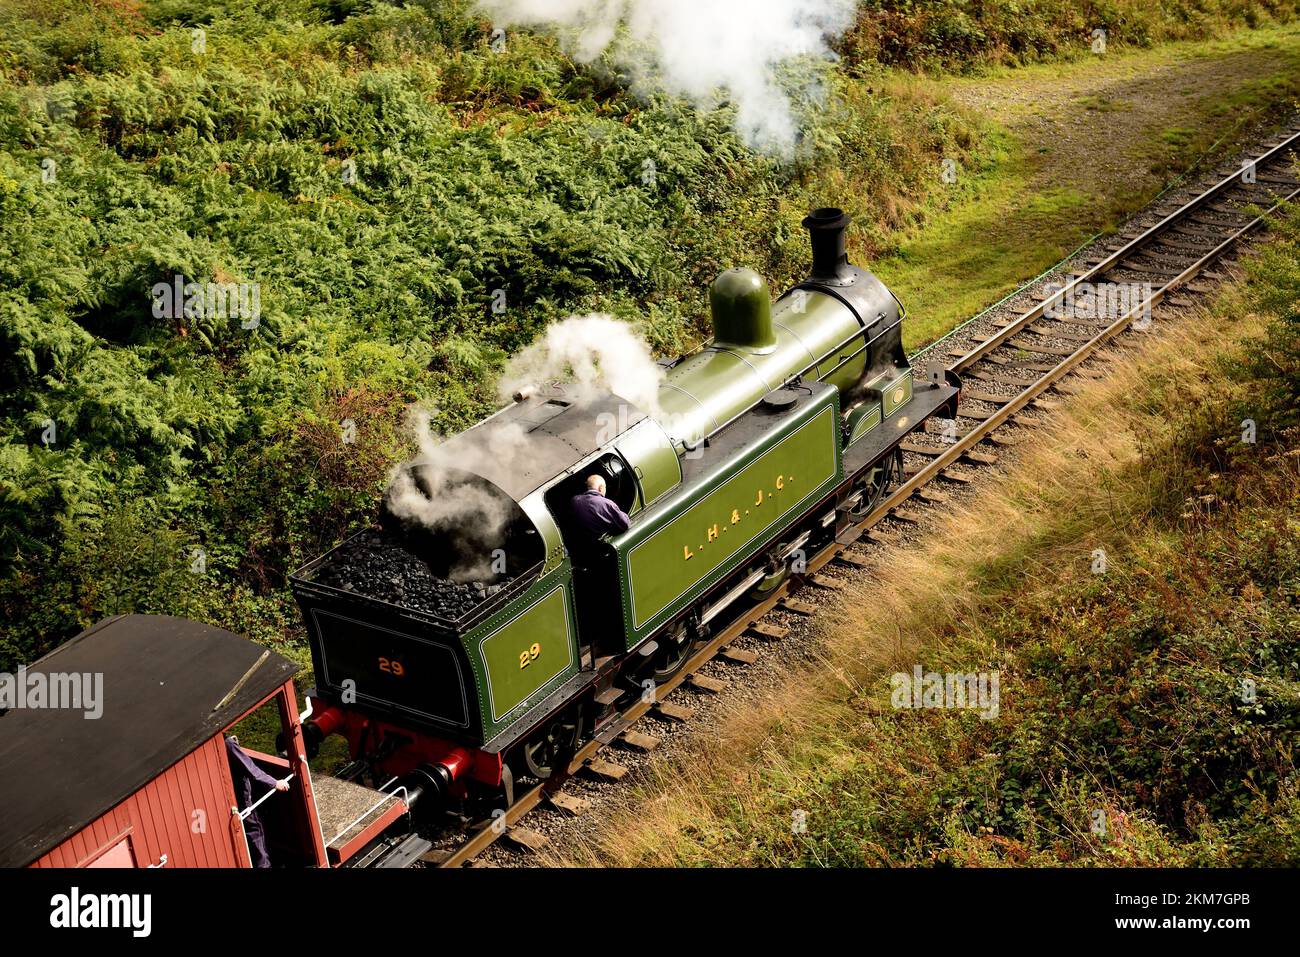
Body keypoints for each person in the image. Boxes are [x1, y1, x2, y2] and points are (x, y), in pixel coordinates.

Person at [224, 733, 289, 868]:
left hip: (228, 798)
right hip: (240, 797)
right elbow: (251, 769)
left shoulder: (222, 743)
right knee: (255, 830)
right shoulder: (228, 744)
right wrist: (274, 783)